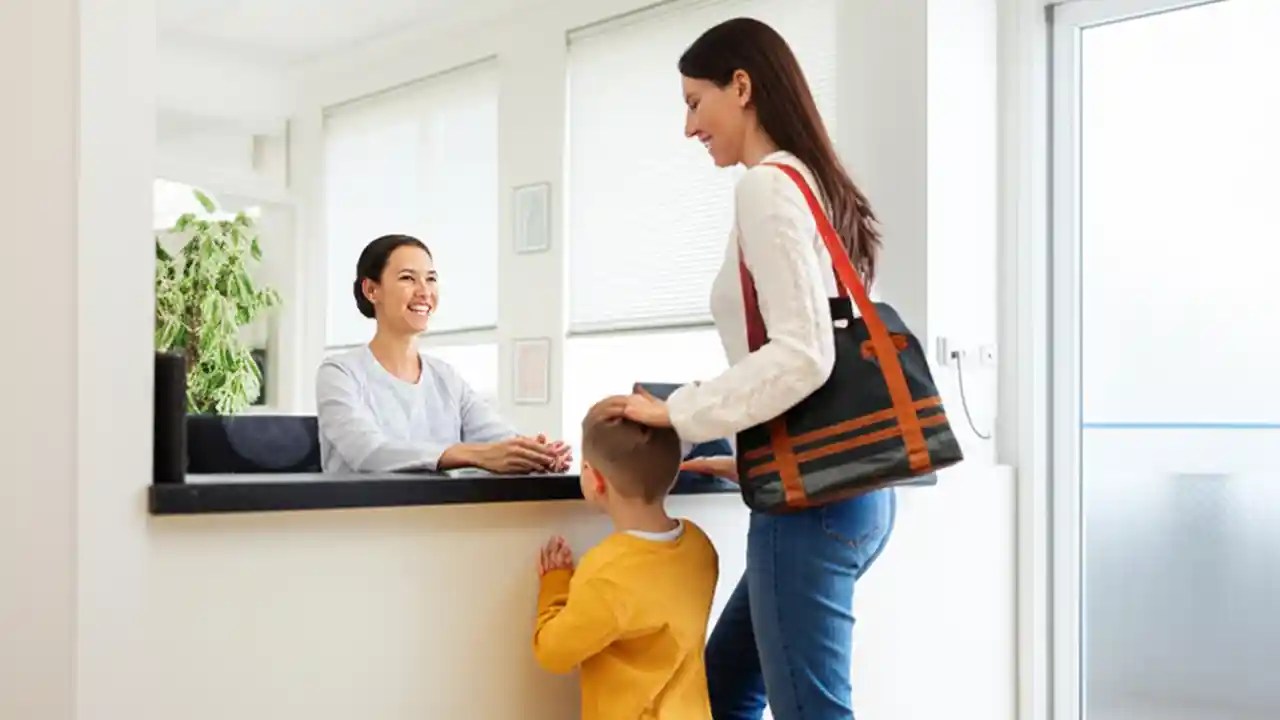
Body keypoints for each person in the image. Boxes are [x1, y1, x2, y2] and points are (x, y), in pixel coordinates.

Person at [619, 18, 897, 720]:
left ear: (741, 87)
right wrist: (744, 454)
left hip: (812, 507)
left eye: (694, 101)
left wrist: (676, 410)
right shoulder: (811, 184)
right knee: (721, 690)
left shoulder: (767, 188)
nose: (689, 127)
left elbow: (804, 353)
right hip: (848, 491)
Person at [316, 233, 571, 474]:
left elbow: (495, 437)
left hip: (439, 517)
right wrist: (472, 454)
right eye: (407, 278)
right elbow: (368, 451)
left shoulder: (445, 376)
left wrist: (535, 453)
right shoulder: (339, 373)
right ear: (372, 290)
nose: (424, 291)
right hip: (361, 517)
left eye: (431, 279)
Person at [532, 395, 719, 720]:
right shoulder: (700, 546)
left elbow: (552, 653)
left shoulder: (607, 573)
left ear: (594, 479)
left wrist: (556, 583)